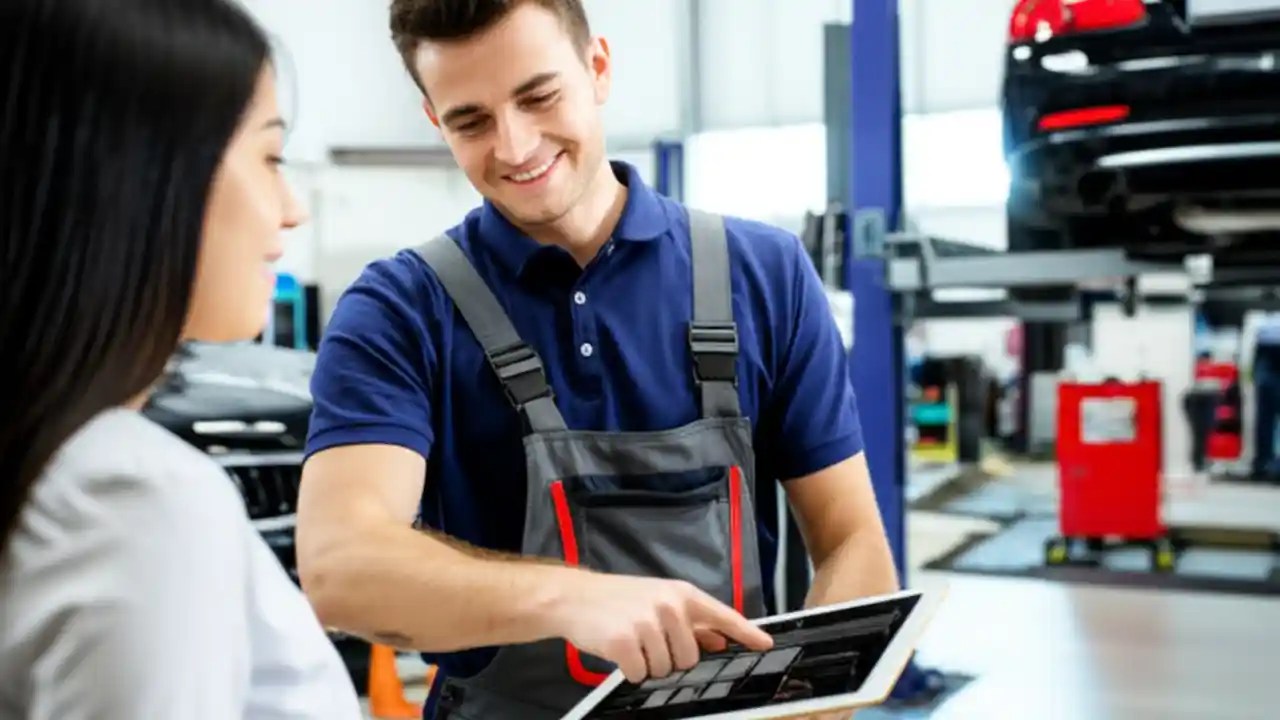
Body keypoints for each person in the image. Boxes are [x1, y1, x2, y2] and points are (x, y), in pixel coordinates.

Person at [296, 1, 899, 718]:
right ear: (435, 120)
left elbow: (853, 540)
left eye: (538, 97)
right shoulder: (399, 311)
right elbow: (341, 566)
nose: (515, 146)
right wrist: (576, 597)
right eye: (471, 121)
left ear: (598, 68)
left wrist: (812, 706)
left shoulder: (764, 275)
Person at [0, 1, 363, 717]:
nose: (292, 209)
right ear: (147, 179)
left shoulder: (62, 469)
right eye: (270, 158)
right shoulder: (133, 497)